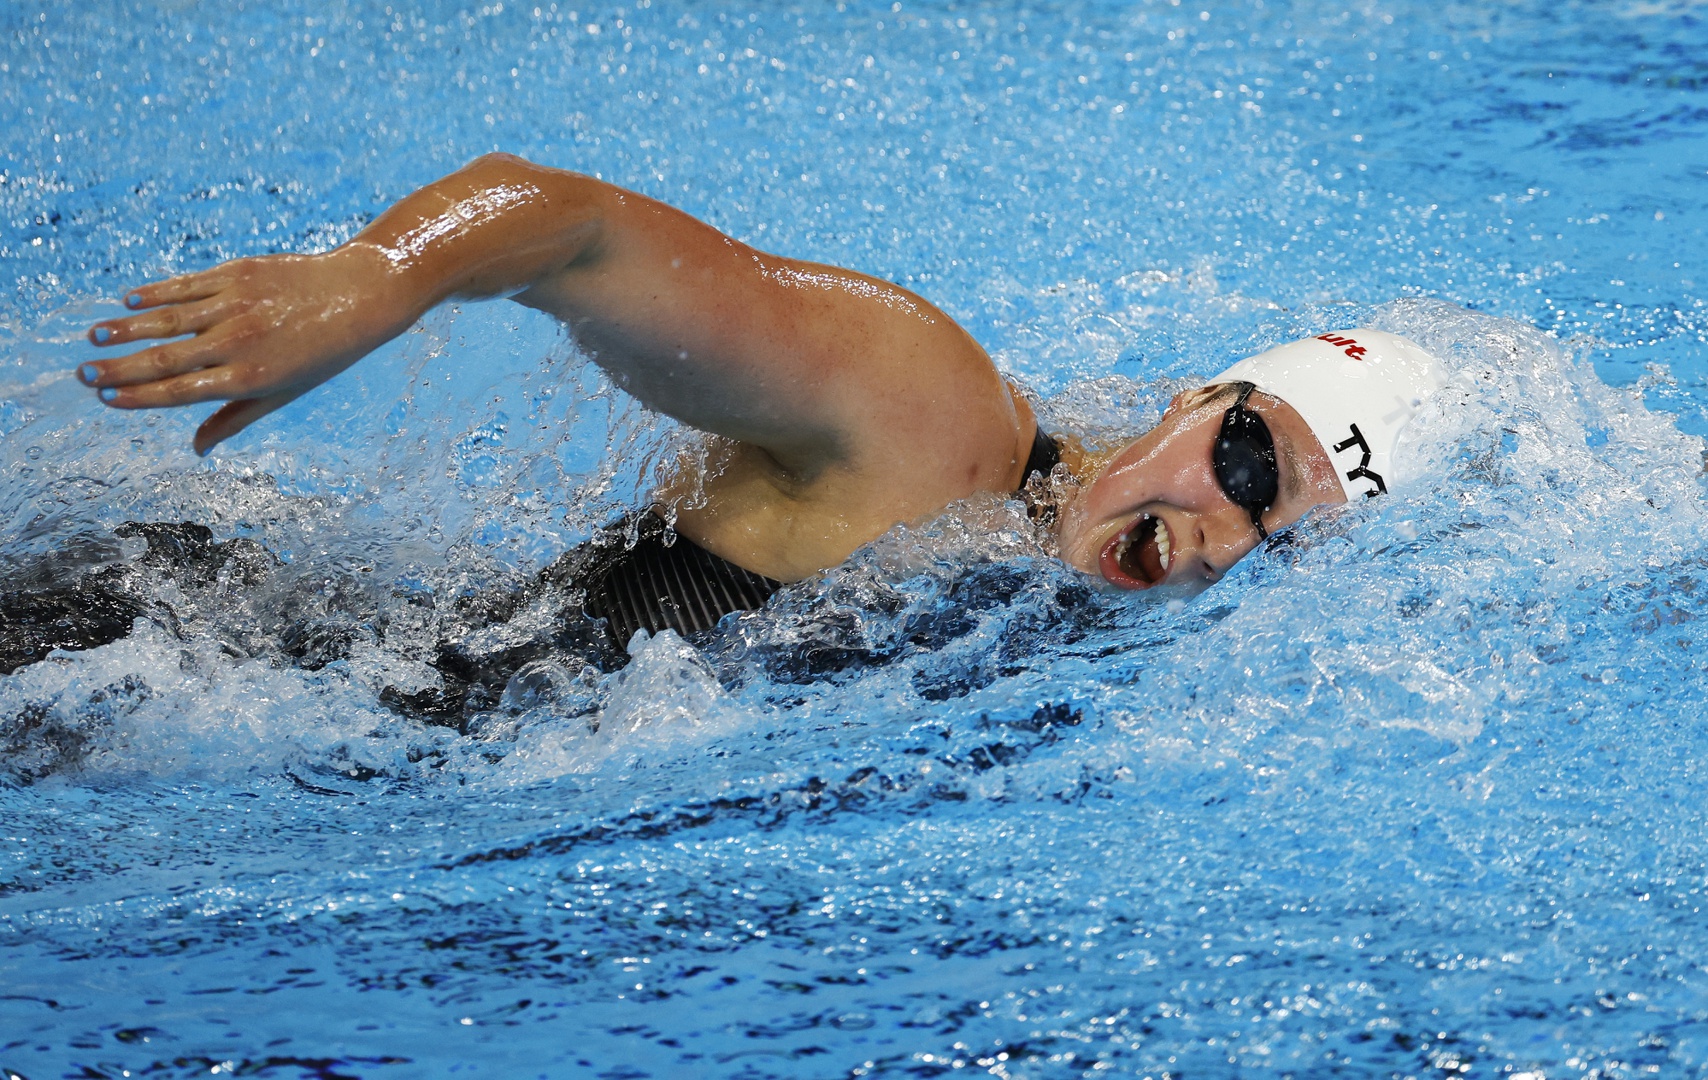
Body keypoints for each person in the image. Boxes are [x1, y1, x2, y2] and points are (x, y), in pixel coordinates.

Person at [57, 153, 1446, 689]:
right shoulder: (932, 419)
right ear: (1194, 398)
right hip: (165, 670)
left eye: (1284, 543)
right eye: (1249, 458)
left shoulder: (1082, 601)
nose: (1230, 536)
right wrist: (373, 279)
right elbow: (580, 231)